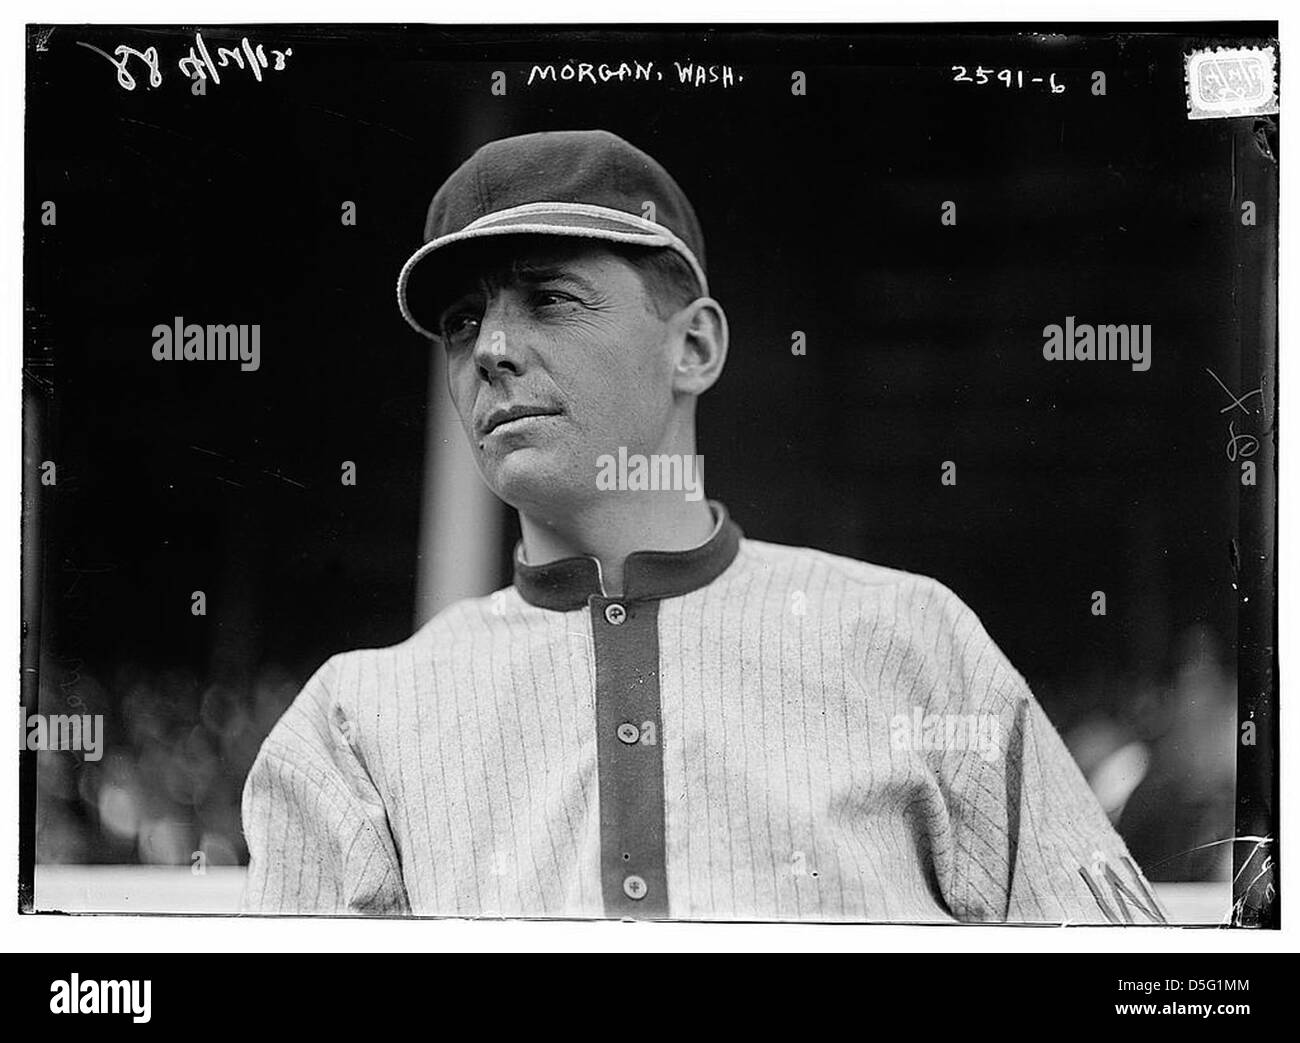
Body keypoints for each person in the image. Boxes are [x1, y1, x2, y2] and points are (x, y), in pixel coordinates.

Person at [240, 129, 1166, 924]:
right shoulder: (350, 723)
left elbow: (1128, 980)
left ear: (694, 345)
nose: (489, 348)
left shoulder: (916, 637)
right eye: (460, 318)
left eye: (549, 298)